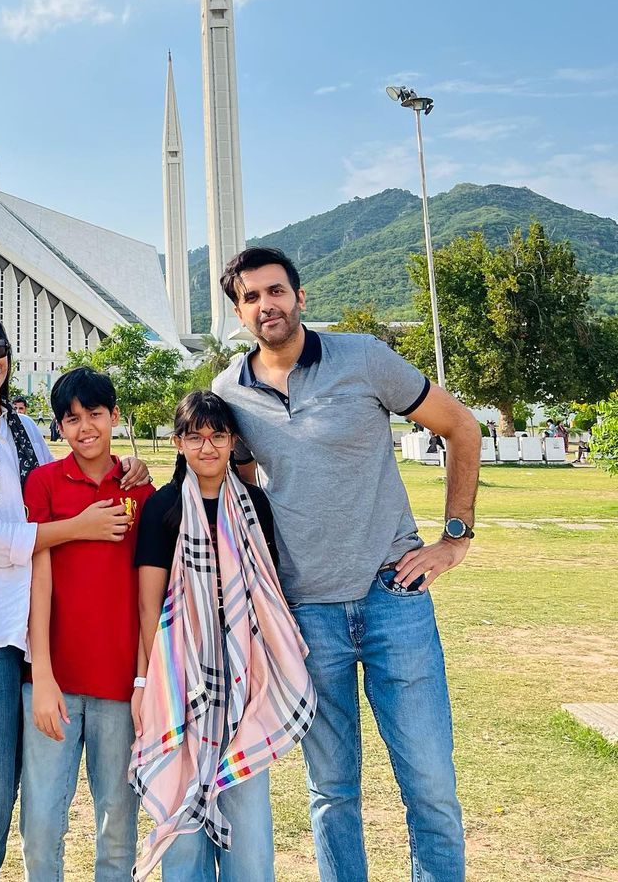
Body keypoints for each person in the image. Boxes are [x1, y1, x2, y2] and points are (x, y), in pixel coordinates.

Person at [212, 247, 480, 882]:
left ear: (299, 297)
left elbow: (461, 428)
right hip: (305, 614)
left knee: (430, 785)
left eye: (275, 291)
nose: (265, 305)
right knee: (331, 793)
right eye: (250, 297)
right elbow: (238, 471)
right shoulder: (230, 392)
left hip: (394, 594)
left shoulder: (362, 358)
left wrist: (454, 538)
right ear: (239, 312)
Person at [0, 312, 150, 882]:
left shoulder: (21, 432)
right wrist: (80, 527)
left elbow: (66, 479)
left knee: (22, 805)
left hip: (29, 634)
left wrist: (127, 465)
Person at [131, 390, 314, 881]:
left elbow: (267, 596)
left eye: (217, 436)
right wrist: (145, 682)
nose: (207, 447)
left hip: (247, 677)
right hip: (180, 677)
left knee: (249, 830)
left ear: (233, 441)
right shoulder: (163, 508)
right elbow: (151, 607)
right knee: (183, 823)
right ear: (178, 443)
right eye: (195, 437)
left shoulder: (254, 505)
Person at [20, 367, 155, 882]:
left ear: (114, 416)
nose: (85, 428)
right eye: (72, 419)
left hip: (122, 688)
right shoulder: (45, 482)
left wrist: (142, 680)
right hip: (54, 684)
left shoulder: (140, 490)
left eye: (95, 414)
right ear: (58, 428)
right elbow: (39, 580)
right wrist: (44, 677)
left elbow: (153, 596)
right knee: (41, 820)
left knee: (118, 822)